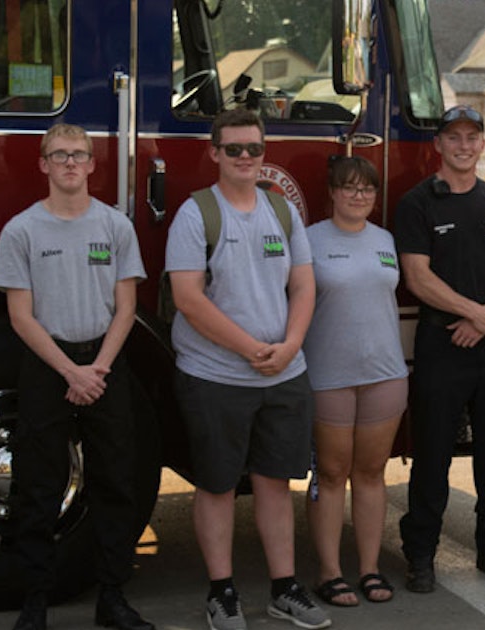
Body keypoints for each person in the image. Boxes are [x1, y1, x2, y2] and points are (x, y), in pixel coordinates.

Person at [165, 109, 329, 630]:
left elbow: (304, 285)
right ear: (214, 154)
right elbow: (188, 298)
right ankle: (223, 594)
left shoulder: (281, 211)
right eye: (232, 148)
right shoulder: (196, 215)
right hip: (215, 375)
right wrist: (251, 349)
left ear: (264, 154)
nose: (244, 157)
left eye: (253, 149)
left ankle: (284, 589)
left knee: (275, 483)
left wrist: (291, 345)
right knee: (214, 486)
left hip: (284, 373)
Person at [0, 123, 153, 630]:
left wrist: (98, 369)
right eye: (58, 155)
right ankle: (34, 602)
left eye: (78, 155)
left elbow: (126, 308)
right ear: (42, 164)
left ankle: (112, 597)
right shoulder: (22, 231)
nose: (69, 164)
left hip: (105, 365)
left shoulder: (115, 226)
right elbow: (21, 316)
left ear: (91, 165)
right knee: (39, 487)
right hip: (48, 366)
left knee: (115, 484)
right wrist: (69, 371)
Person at [395, 104, 485, 593]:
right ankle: (421, 555)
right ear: (439, 145)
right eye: (453, 137)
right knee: (431, 454)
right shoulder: (418, 203)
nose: (464, 145)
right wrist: (473, 313)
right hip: (442, 341)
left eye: (472, 137)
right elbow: (416, 276)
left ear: (482, 144)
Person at [303, 156, 407, 606]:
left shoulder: (385, 239)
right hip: (328, 375)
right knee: (330, 473)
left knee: (370, 473)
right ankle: (329, 572)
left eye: (367, 188)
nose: (359, 195)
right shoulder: (309, 240)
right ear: (332, 192)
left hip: (384, 373)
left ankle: (368, 568)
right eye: (349, 187)